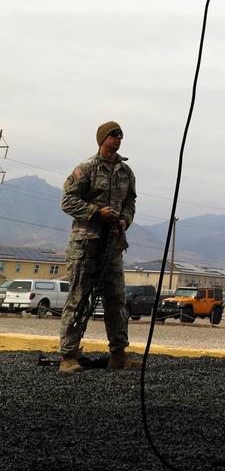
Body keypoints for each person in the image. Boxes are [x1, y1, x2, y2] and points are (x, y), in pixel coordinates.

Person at [58, 121, 139, 374]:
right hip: (86, 245)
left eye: (121, 134)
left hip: (112, 246)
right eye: (113, 134)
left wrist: (124, 220)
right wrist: (95, 212)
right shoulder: (86, 168)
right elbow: (67, 201)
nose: (118, 137)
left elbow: (130, 202)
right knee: (78, 299)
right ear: (102, 138)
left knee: (116, 300)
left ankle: (118, 354)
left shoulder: (126, 172)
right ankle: (68, 357)